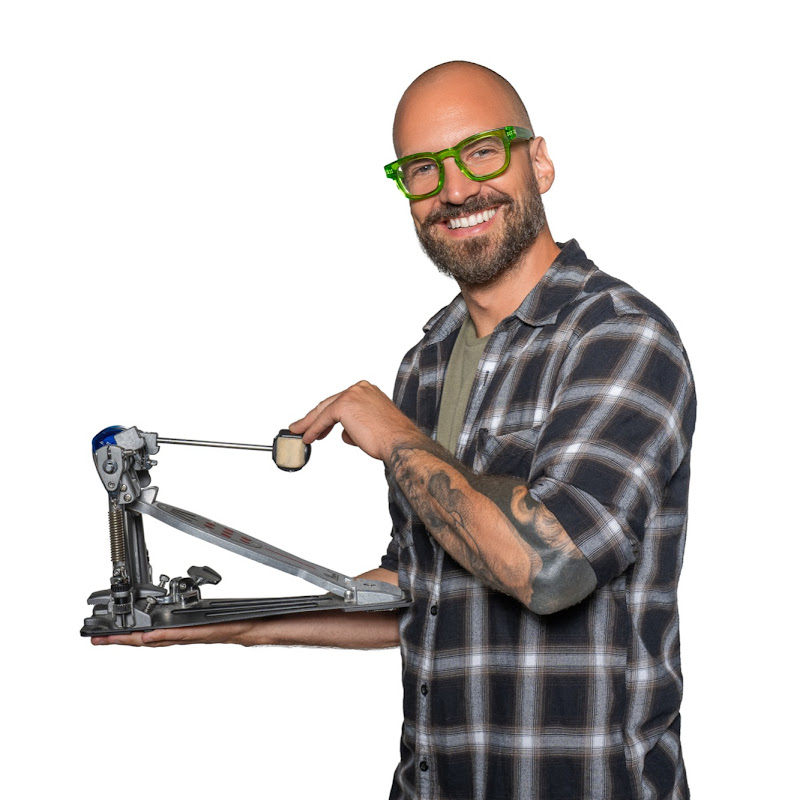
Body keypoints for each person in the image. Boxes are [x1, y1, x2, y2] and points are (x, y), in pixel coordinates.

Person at [95, 61, 696, 800]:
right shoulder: (428, 365)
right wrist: (221, 621)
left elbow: (551, 568)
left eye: (482, 152)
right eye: (422, 169)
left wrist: (394, 435)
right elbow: (420, 592)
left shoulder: (620, 338)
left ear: (538, 161)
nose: (455, 190)